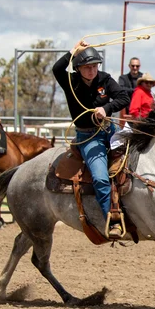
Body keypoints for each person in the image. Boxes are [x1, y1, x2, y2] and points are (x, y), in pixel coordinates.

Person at [53, 40, 129, 238]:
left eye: (95, 66)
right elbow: (57, 68)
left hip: (110, 130)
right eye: (87, 67)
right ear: (78, 68)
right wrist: (74, 50)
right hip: (88, 137)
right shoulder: (70, 81)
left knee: (135, 158)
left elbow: (123, 97)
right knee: (100, 177)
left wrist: (107, 108)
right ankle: (111, 221)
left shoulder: (105, 79)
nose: (92, 71)